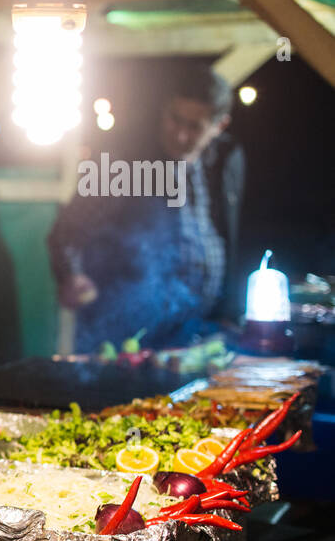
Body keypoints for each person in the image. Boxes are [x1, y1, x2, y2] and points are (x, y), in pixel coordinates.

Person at [47, 65, 245, 353]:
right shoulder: (122, 159)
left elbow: (233, 235)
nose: (180, 135)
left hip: (200, 334)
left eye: (194, 127)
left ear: (219, 125)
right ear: (163, 110)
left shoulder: (227, 159)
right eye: (174, 120)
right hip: (125, 338)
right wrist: (71, 275)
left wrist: (229, 310)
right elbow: (66, 232)